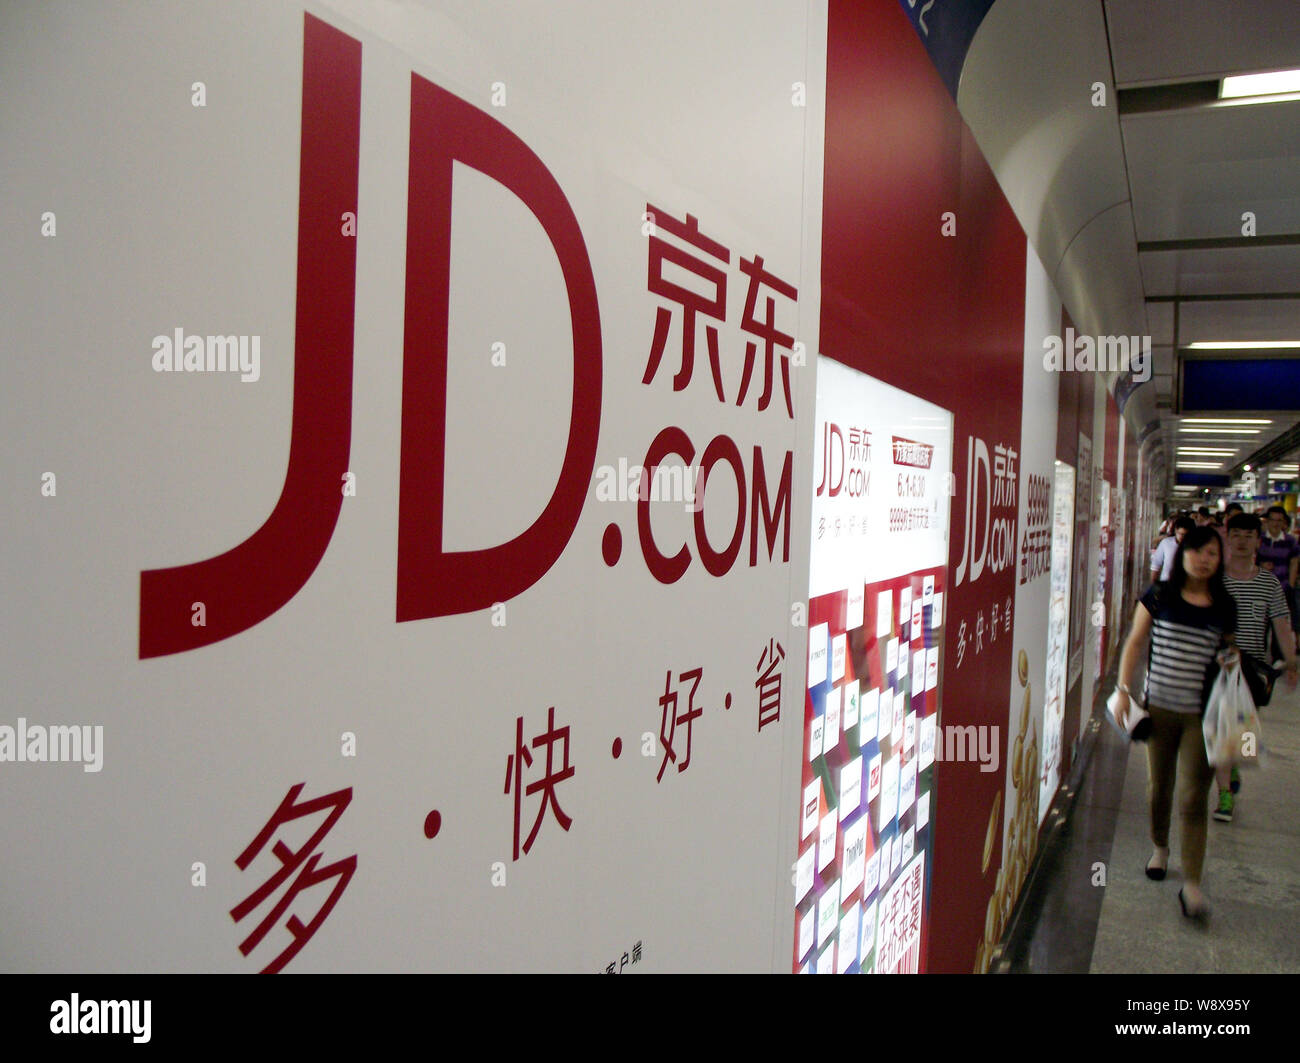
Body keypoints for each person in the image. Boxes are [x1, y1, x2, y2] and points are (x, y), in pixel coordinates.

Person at [1116, 525, 1237, 920]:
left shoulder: (1224, 604)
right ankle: (1160, 848)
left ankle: (1193, 884)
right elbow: (1136, 641)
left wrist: (1231, 661)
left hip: (1200, 717)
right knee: (1158, 789)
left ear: (1219, 561)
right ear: (1182, 553)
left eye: (1212, 554)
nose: (1204, 559)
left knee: (1192, 796)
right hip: (1159, 710)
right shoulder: (1159, 595)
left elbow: (1230, 651)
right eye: (1198, 551)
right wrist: (1123, 690)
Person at [1218, 513, 1298, 821]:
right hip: (1221, 664)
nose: (1241, 541)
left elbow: (1281, 624)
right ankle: (1224, 795)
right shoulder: (1216, 578)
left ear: (1257, 541)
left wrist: (1291, 662)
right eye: (1236, 534)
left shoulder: (1269, 583)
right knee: (1224, 727)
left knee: (1242, 727)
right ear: (1228, 536)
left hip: (1253, 668)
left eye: (1248, 536)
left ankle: (1233, 765)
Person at [1150, 516, 1194, 584]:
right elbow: (1156, 565)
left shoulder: (1194, 547)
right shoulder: (1166, 543)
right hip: (1167, 583)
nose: (1183, 537)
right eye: (1181, 534)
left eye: (1186, 535)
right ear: (1176, 530)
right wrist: (1153, 585)